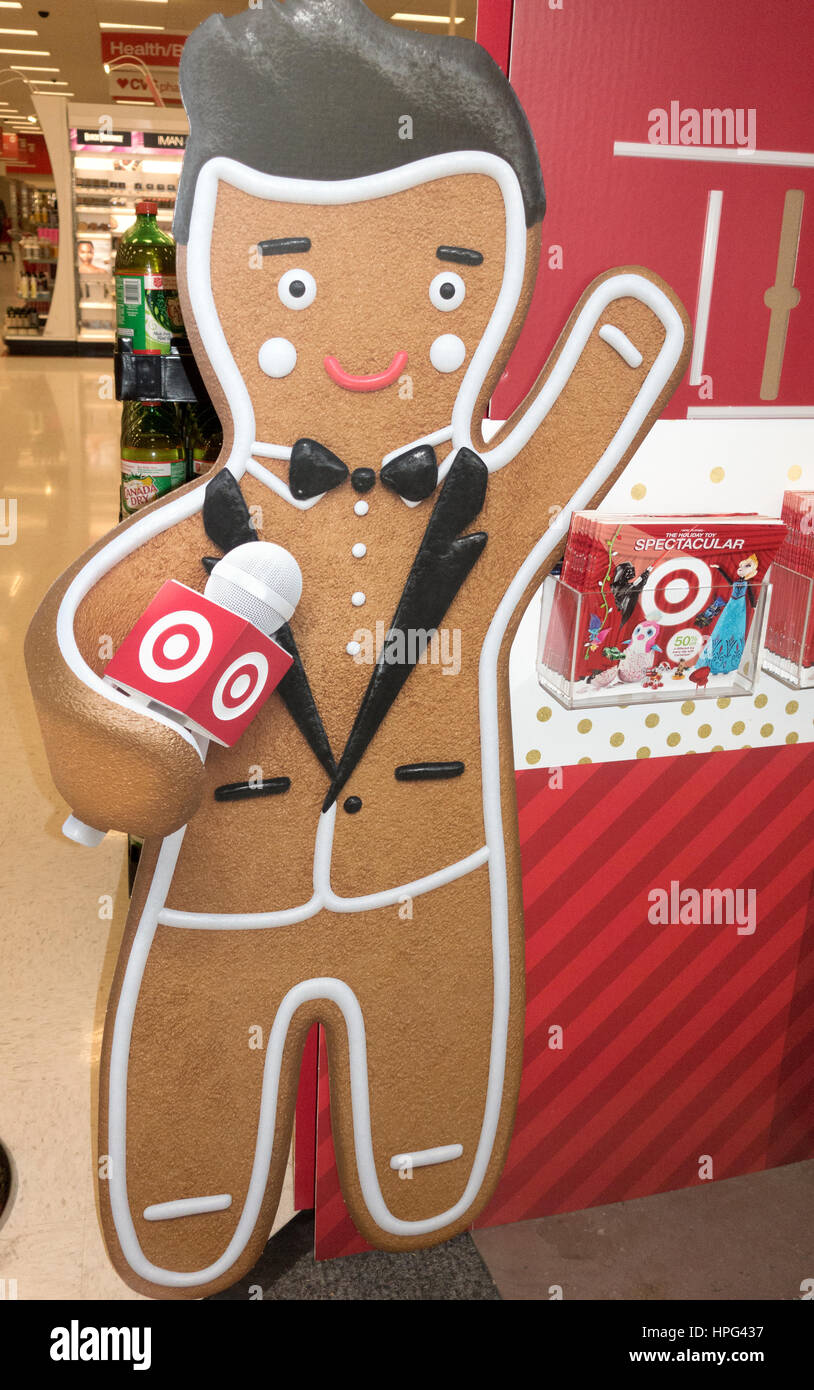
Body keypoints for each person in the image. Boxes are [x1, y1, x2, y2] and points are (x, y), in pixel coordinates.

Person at [26, 0, 690, 1299]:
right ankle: (198, 1186)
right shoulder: (189, 536)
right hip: (224, 889)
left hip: (426, 876)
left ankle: (405, 1176)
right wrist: (116, 745)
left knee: (429, 1145)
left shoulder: (476, 507)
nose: (371, 332)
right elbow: (67, 645)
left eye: (449, 280)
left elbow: (573, 430)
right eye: (288, 272)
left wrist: (622, 350)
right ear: (212, 270)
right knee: (190, 1156)